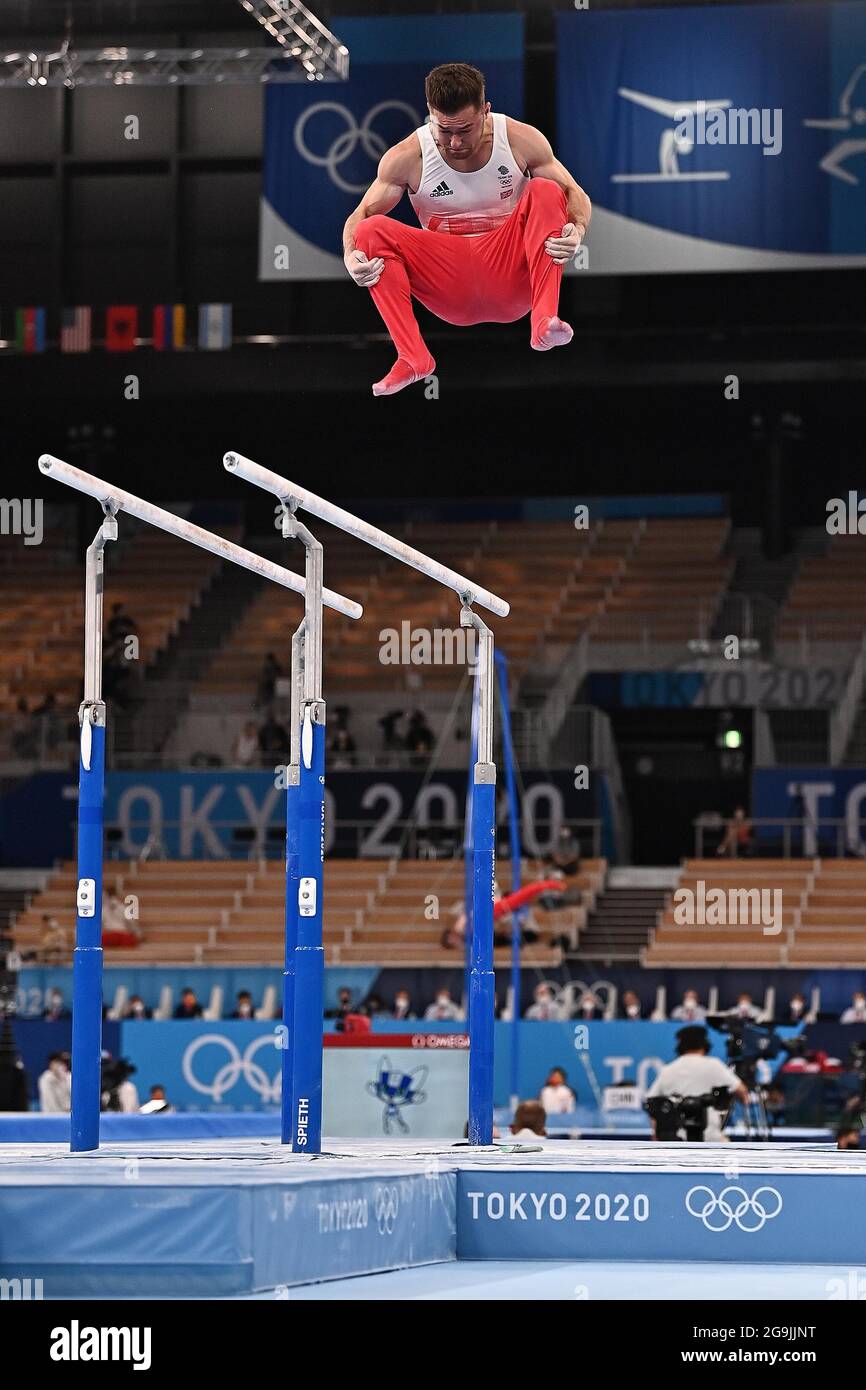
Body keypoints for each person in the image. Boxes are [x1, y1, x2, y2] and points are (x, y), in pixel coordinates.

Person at [343, 62, 591, 396]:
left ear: (485, 111)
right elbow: (360, 216)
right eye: (445, 131)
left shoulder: (519, 139)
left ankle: (545, 321)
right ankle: (412, 355)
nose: (456, 142)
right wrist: (350, 255)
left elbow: (576, 193)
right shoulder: (406, 157)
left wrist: (576, 230)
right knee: (370, 230)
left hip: (513, 273)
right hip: (449, 283)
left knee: (546, 191)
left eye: (465, 129)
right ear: (430, 113)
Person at [646, 1025, 749, 1142]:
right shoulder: (714, 1065)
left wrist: (657, 1134)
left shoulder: (668, 1070)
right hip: (710, 1138)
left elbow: (652, 1104)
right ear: (705, 1044)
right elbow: (742, 1090)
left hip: (676, 1140)